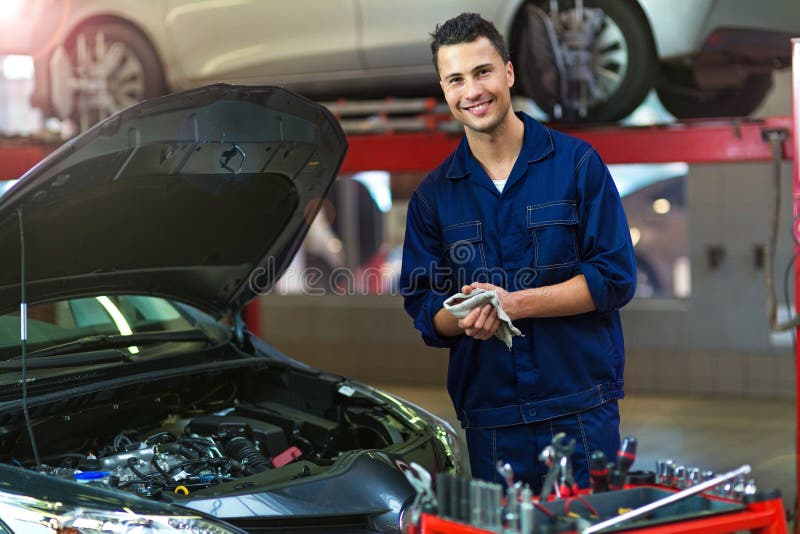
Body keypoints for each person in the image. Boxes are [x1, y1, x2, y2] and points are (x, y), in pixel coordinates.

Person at [399, 12, 636, 491]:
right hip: (493, 421)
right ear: (444, 90)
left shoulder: (576, 164)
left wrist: (513, 304)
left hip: (580, 409)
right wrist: (465, 316)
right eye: (456, 80)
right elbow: (425, 309)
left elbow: (613, 278)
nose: (472, 91)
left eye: (483, 72)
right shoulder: (434, 196)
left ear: (508, 72)